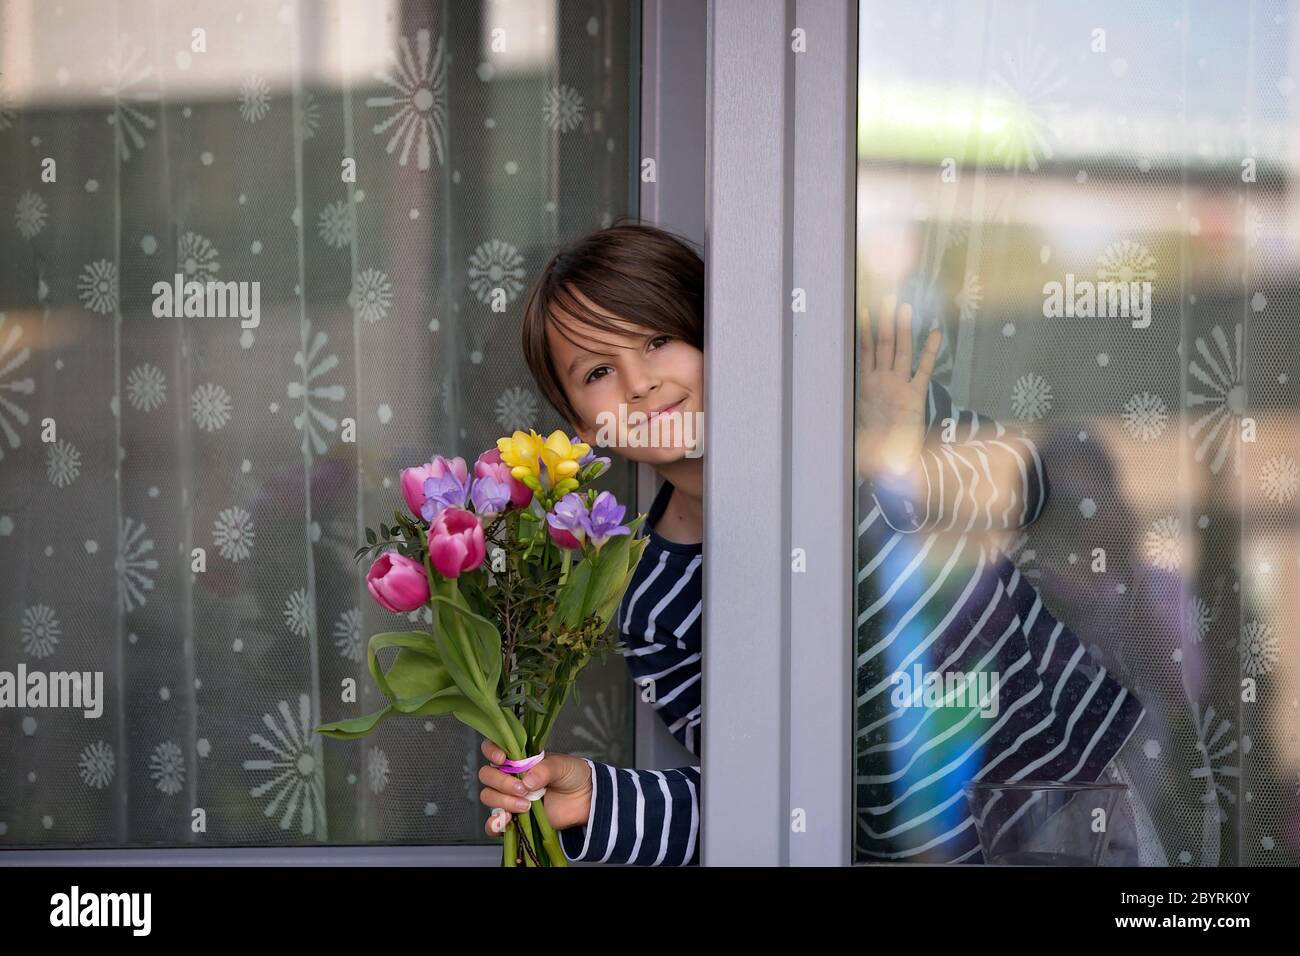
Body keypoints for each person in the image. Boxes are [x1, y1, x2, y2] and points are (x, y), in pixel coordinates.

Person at [476, 216, 1146, 865]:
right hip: (906, 852)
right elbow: (748, 793)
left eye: (658, 340)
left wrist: (894, 460)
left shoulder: (856, 407)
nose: (640, 382)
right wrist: (598, 798)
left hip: (1067, 794)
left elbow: (1024, 490)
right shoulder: (651, 602)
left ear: (718, 336)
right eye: (598, 372)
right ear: (582, 426)